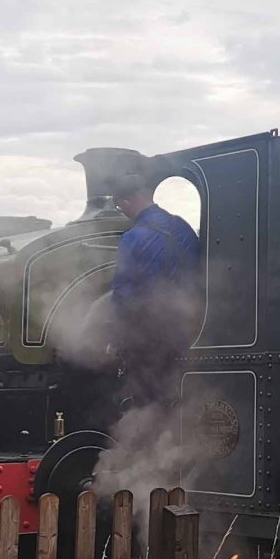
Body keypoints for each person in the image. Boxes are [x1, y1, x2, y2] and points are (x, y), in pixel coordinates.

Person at [106, 170, 200, 407]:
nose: (122, 212)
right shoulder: (184, 228)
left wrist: (115, 337)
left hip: (148, 335)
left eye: (119, 207)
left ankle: (149, 439)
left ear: (126, 202)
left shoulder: (132, 238)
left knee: (147, 399)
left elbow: (123, 294)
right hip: (189, 330)